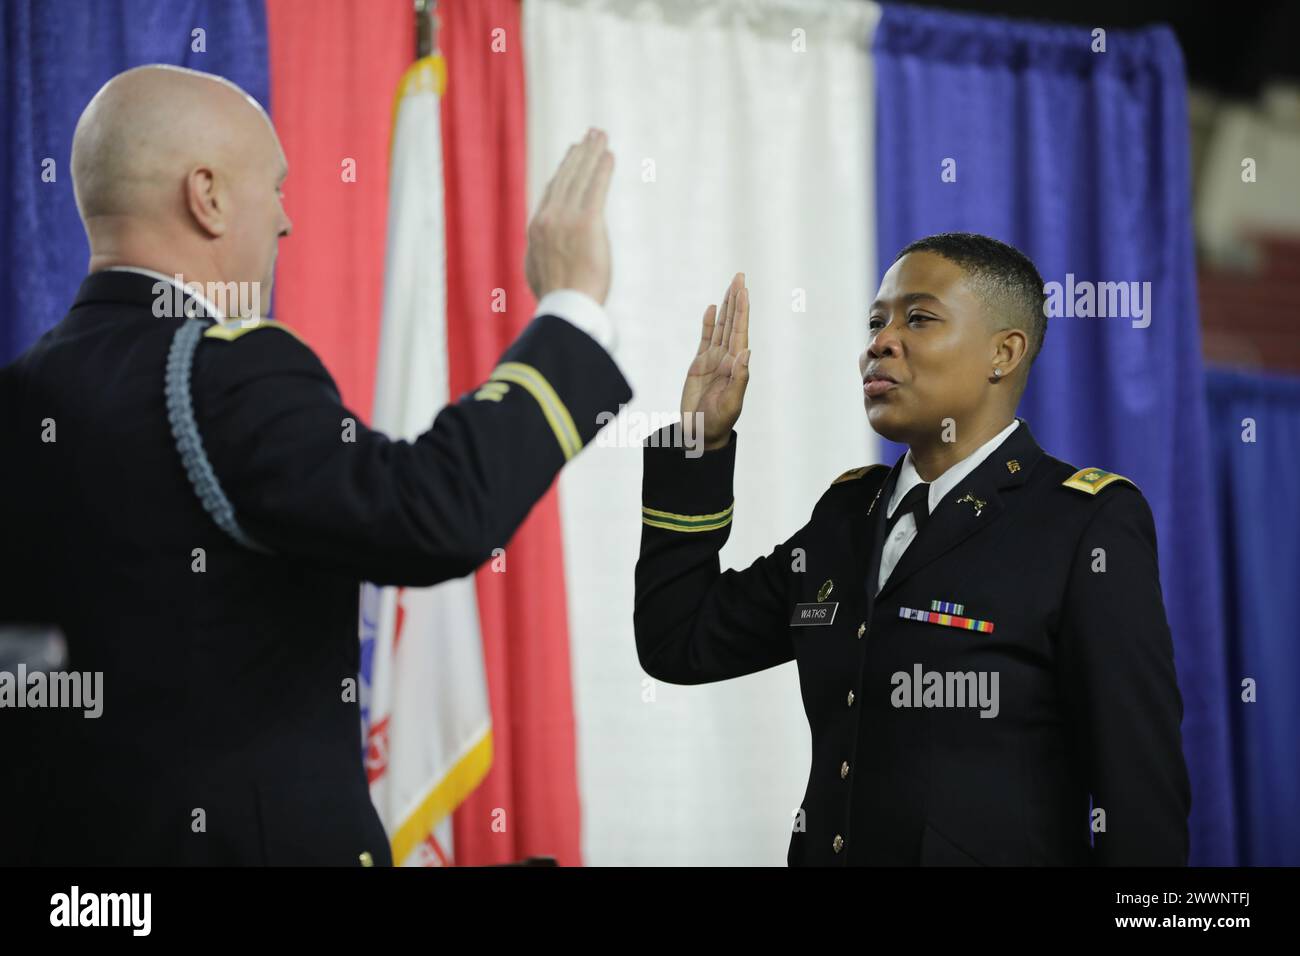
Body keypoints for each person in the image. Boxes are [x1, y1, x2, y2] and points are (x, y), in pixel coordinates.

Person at [0, 65, 628, 865]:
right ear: (209, 197)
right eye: (277, 188)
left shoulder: (22, 395)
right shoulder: (221, 370)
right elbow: (432, 513)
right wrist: (570, 311)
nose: (287, 222)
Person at [634, 233, 1191, 866]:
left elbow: (1139, 795)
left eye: (919, 318)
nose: (879, 342)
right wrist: (698, 446)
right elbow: (678, 642)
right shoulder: (848, 514)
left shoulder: (1082, 523)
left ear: (1003, 353)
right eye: (875, 322)